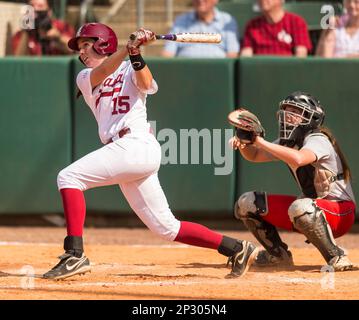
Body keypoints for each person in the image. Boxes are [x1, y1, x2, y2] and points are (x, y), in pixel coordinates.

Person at [42, 22, 258, 280]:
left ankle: (74, 254)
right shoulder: (85, 77)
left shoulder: (128, 66)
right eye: (81, 47)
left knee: (69, 177)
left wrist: (135, 54)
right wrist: (128, 48)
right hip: (124, 151)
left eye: (87, 45)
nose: (82, 52)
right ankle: (236, 248)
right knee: (167, 228)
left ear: (103, 44)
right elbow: (105, 70)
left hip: (135, 145)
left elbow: (145, 83)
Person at [229, 91, 356, 271]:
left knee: (301, 207)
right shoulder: (288, 142)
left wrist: (260, 141)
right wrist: (246, 142)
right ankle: (278, 255)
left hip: (340, 212)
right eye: (286, 111)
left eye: (294, 112)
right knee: (247, 203)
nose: (287, 116)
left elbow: (298, 159)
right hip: (313, 210)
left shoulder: (318, 139)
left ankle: (337, 256)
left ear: (310, 117)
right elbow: (255, 155)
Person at [161, 0, 239, 58]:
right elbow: (168, 53)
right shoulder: (180, 21)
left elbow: (232, 53)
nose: (200, 0)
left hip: (217, 73)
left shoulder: (227, 20)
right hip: (184, 73)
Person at [241, 0, 312, 57]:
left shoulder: (296, 22)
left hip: (286, 71)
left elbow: (301, 56)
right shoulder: (252, 25)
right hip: (260, 71)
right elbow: (246, 56)